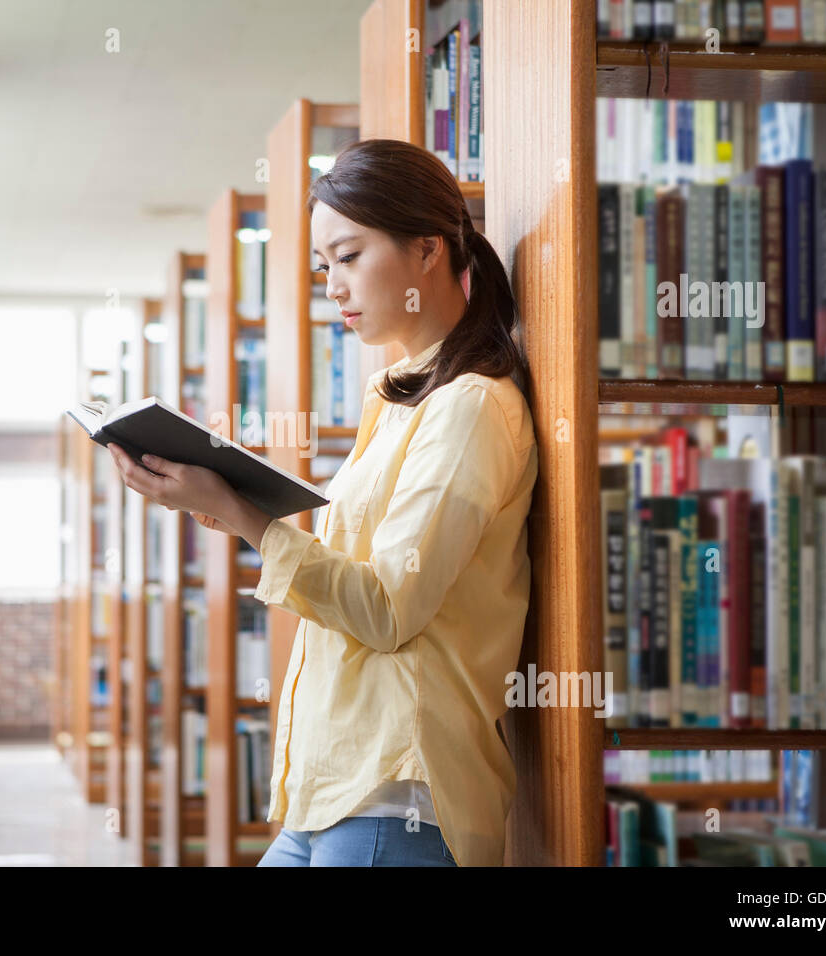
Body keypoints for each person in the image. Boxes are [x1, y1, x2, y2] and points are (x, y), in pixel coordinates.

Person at [108, 138, 537, 866]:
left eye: (349, 256)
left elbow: (385, 608)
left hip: (400, 789)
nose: (332, 285)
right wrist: (227, 505)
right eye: (322, 267)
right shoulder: (397, 394)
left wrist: (252, 519)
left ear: (428, 250)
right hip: (332, 781)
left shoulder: (470, 409)